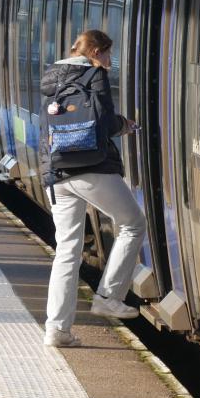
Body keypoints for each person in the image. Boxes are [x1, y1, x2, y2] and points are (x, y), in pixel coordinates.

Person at [39, 29, 145, 348]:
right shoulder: (93, 75)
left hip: (56, 171)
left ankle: (57, 329)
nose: (110, 61)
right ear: (96, 52)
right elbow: (102, 121)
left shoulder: (52, 76)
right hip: (90, 167)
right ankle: (109, 296)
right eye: (109, 54)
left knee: (67, 251)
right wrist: (125, 125)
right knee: (132, 224)